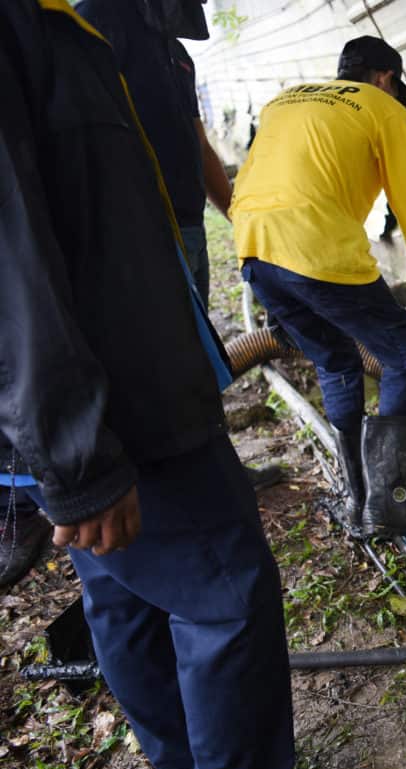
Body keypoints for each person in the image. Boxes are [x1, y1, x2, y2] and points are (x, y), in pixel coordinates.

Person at [0, 2, 365, 769]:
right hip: (115, 405)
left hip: (113, 386)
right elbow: (10, 261)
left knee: (122, 588)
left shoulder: (81, 30)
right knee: (228, 597)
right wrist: (77, 454)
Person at [231, 35, 406, 541]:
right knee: (404, 356)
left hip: (253, 247)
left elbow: (252, 180)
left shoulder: (285, 99)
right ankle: (391, 504)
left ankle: (357, 494)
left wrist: (273, 283)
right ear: (385, 78)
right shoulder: (384, 109)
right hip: (314, 247)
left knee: (336, 360)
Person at [76, 0, 282, 493]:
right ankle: (166, 483)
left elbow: (197, 141)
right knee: (155, 354)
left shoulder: (177, 55)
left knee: (194, 350)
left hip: (187, 221)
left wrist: (237, 215)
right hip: (140, 228)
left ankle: (217, 468)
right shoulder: (100, 21)